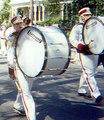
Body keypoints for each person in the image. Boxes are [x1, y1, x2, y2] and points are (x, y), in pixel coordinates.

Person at [69, 7, 104, 104]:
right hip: (83, 52)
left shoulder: (95, 25)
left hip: (94, 51)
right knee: (89, 73)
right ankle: (96, 94)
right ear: (81, 16)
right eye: (86, 15)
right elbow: (72, 39)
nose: (88, 16)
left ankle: (81, 89)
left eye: (89, 14)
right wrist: (80, 46)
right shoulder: (77, 27)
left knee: (90, 71)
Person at [7, 15, 36, 120]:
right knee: (26, 93)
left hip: (30, 66)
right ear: (14, 26)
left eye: (21, 23)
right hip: (18, 67)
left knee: (26, 89)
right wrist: (11, 71)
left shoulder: (29, 34)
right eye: (17, 24)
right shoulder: (12, 37)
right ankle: (32, 117)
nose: (19, 25)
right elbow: (10, 56)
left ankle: (18, 106)